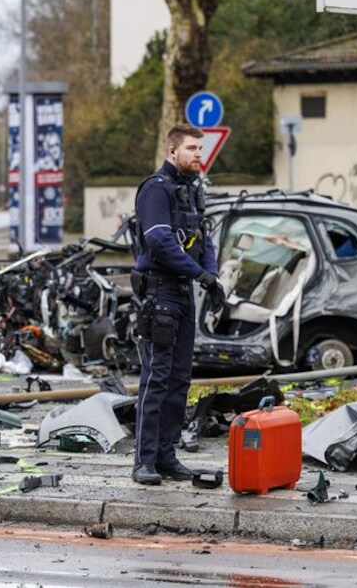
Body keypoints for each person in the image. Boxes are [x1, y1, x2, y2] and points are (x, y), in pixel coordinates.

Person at [128, 124, 220, 485]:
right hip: (161, 294)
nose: (199, 154)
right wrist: (201, 274)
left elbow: (205, 239)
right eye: (193, 148)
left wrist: (211, 276)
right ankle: (144, 461)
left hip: (182, 293)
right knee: (158, 378)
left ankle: (166, 456)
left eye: (201, 148)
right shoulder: (156, 190)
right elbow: (161, 243)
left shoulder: (190, 190)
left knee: (180, 379)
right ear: (172, 152)